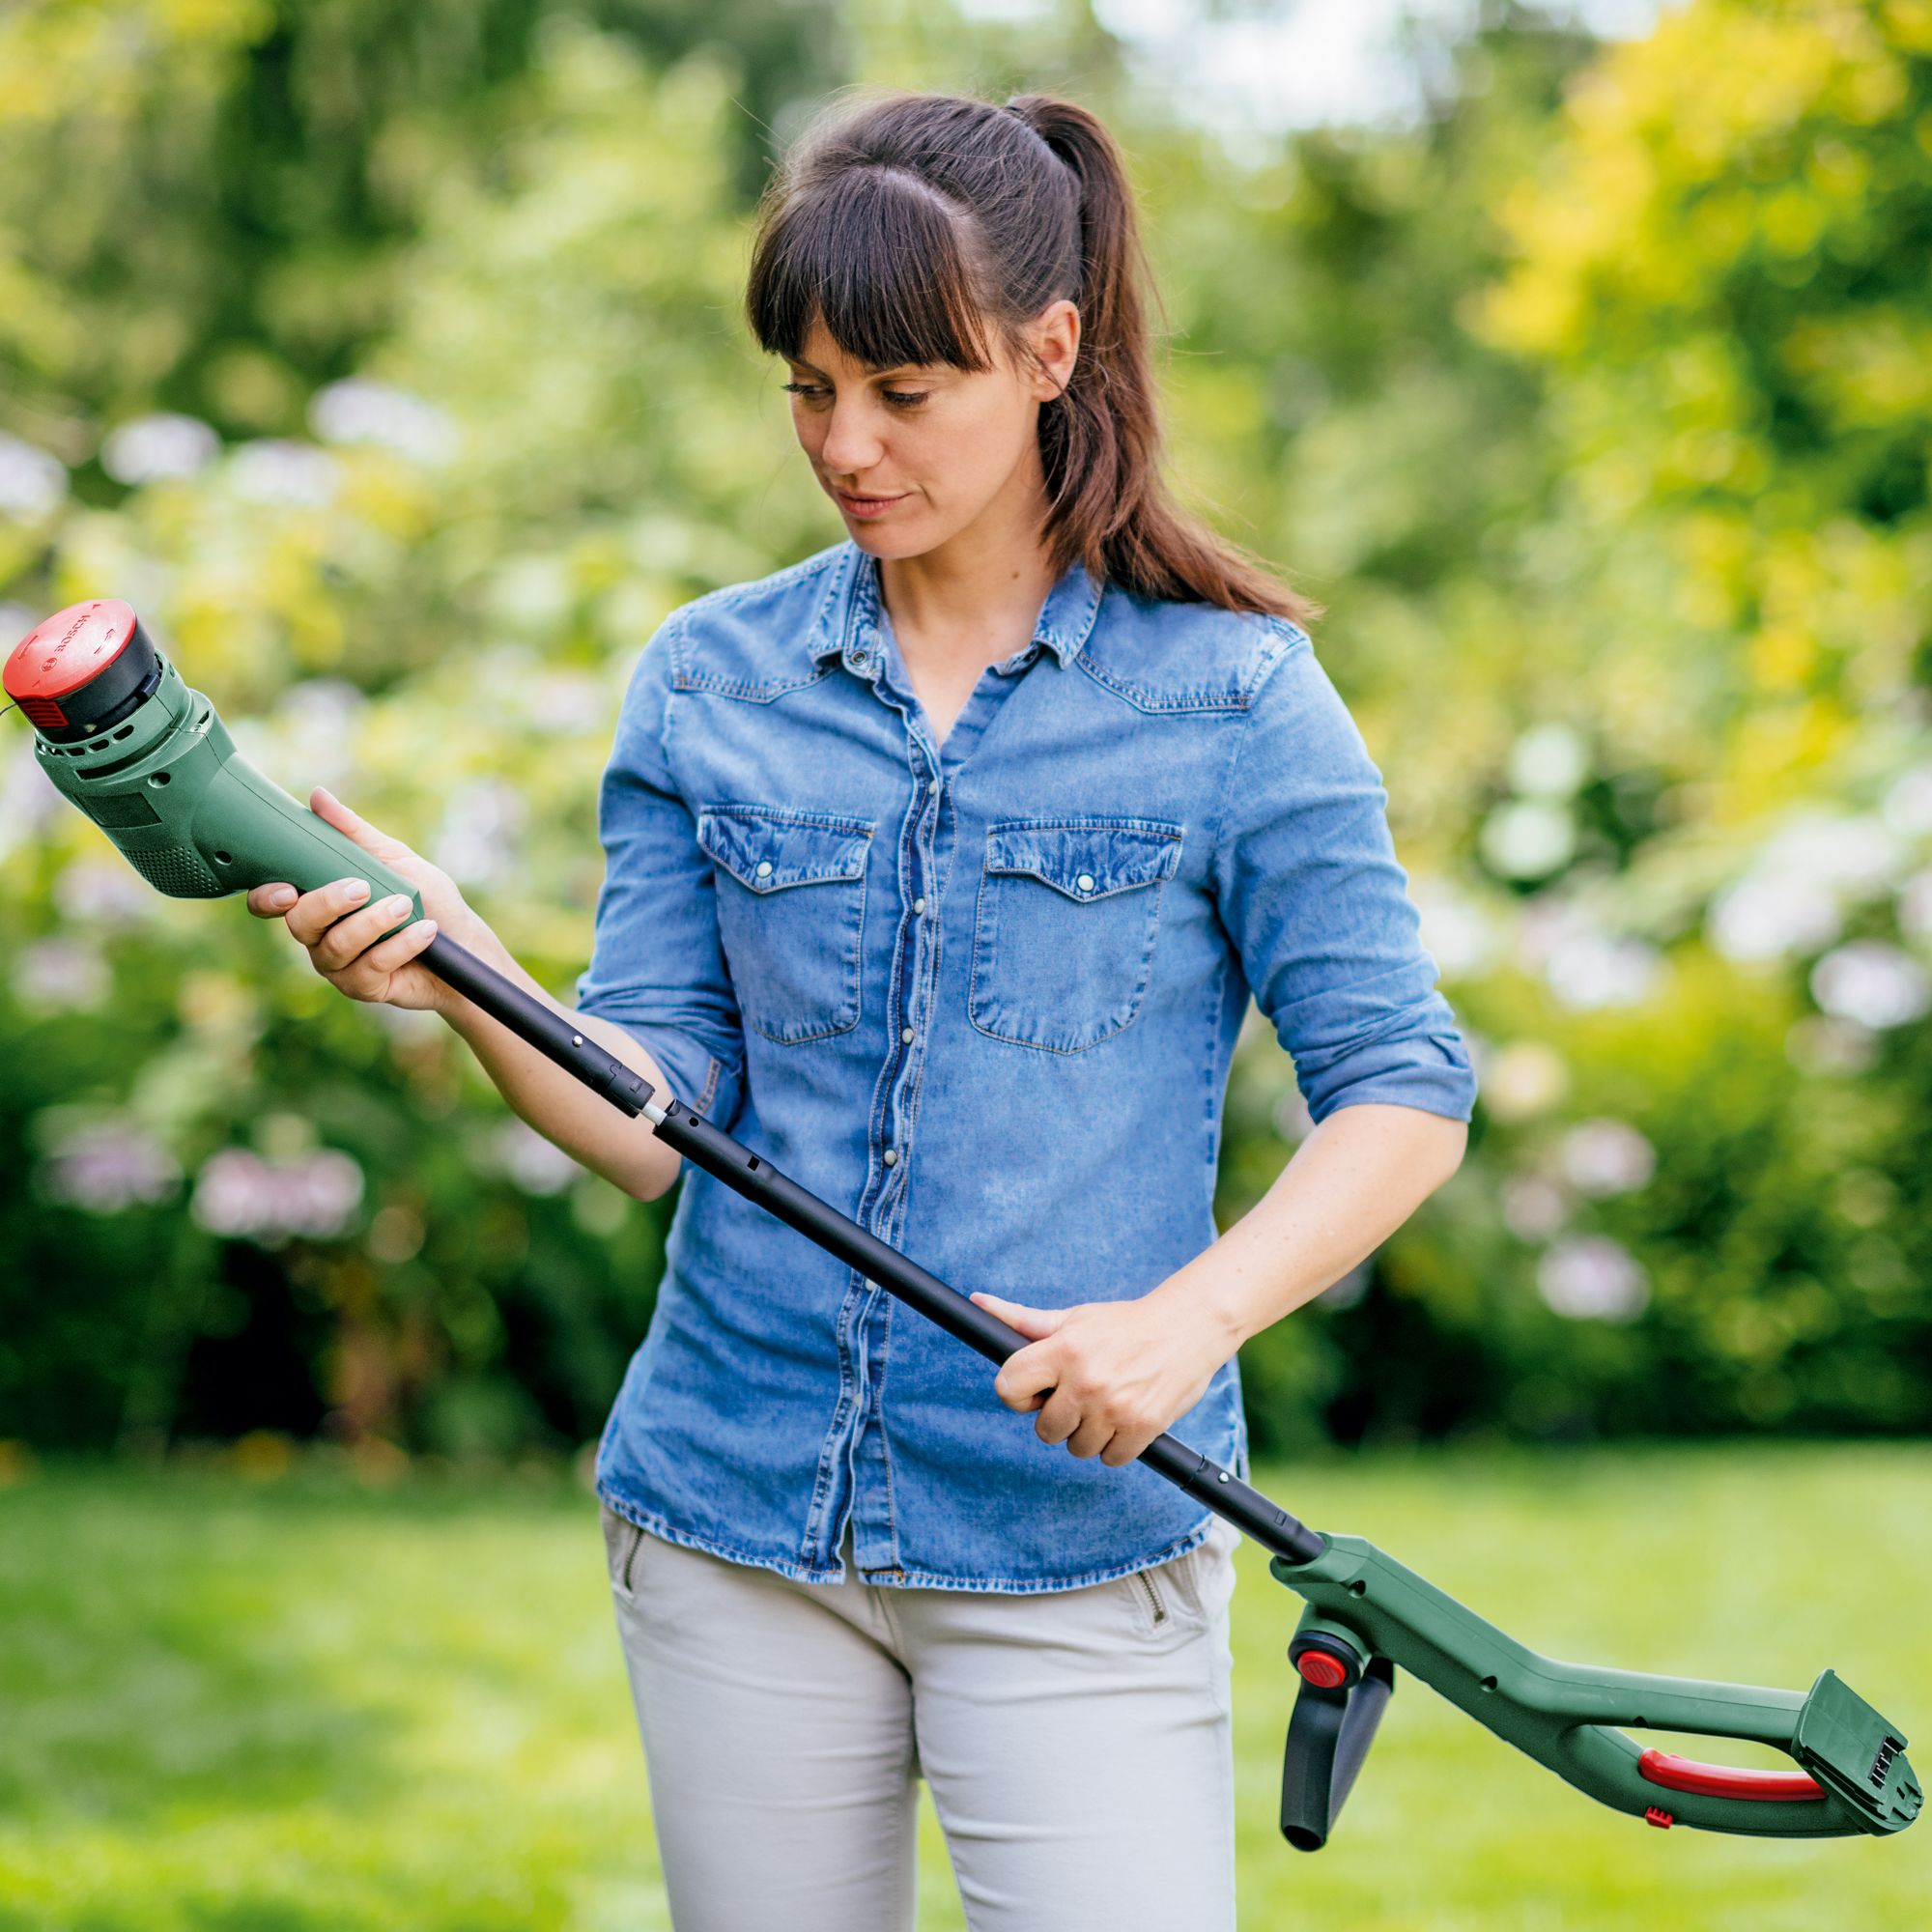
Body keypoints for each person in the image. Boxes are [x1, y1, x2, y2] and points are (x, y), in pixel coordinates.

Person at [248, 86, 1476, 1932]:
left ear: (1051, 352)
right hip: (734, 1513)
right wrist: (461, 971)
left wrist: (1184, 1327)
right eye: (810, 389)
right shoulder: (711, 680)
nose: (847, 443)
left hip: (1072, 1538)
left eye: (907, 392)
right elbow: (657, 1122)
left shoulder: (1235, 701)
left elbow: (1403, 1090)